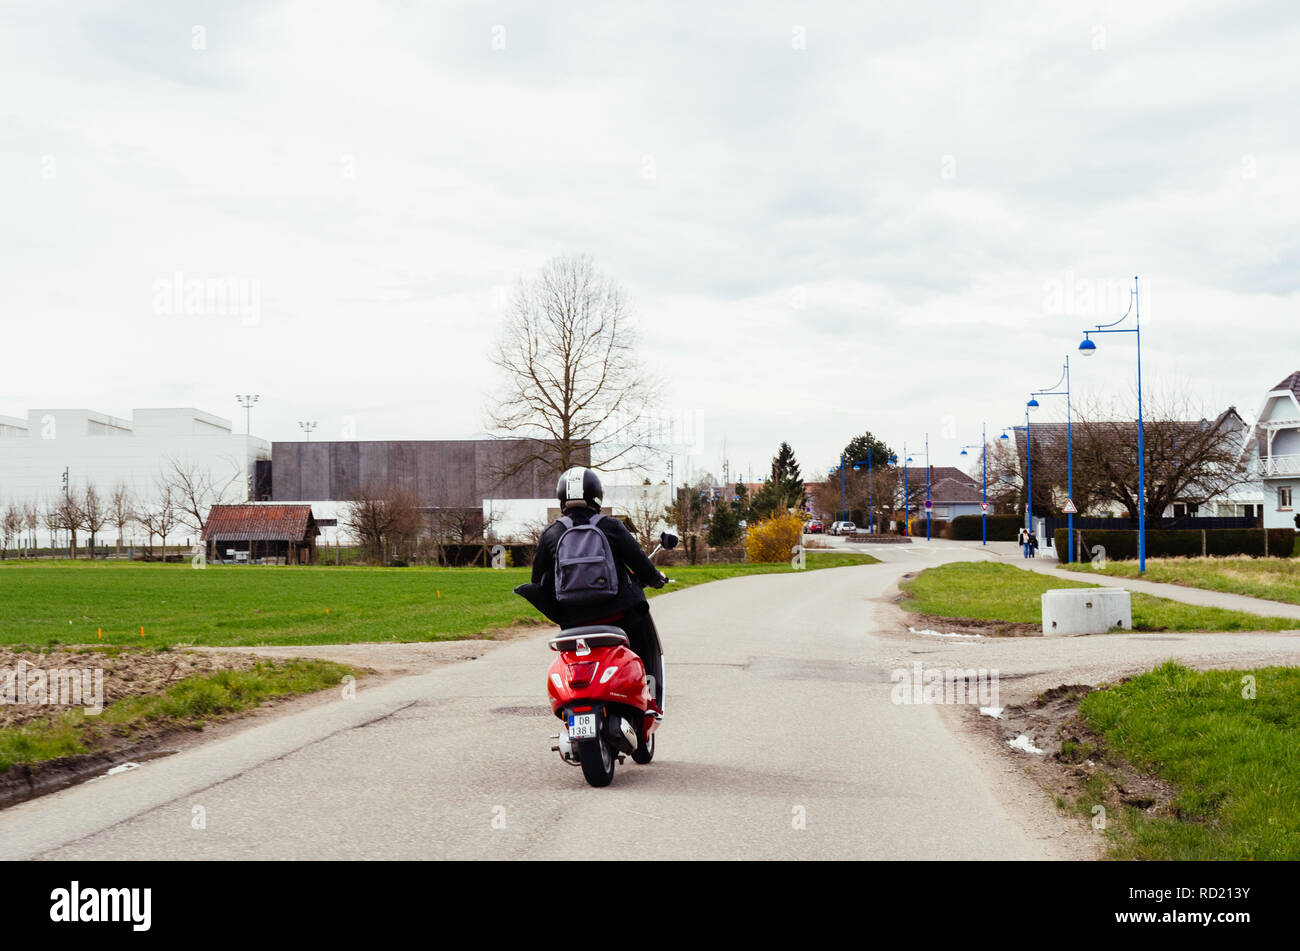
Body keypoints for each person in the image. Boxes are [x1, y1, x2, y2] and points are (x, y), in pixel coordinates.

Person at [527, 466, 668, 715]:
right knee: (645, 646)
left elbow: (538, 580)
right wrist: (656, 579)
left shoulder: (551, 533)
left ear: (562, 498)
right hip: (620, 616)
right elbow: (641, 565)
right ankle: (649, 701)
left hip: (573, 622)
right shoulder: (611, 527)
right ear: (597, 495)